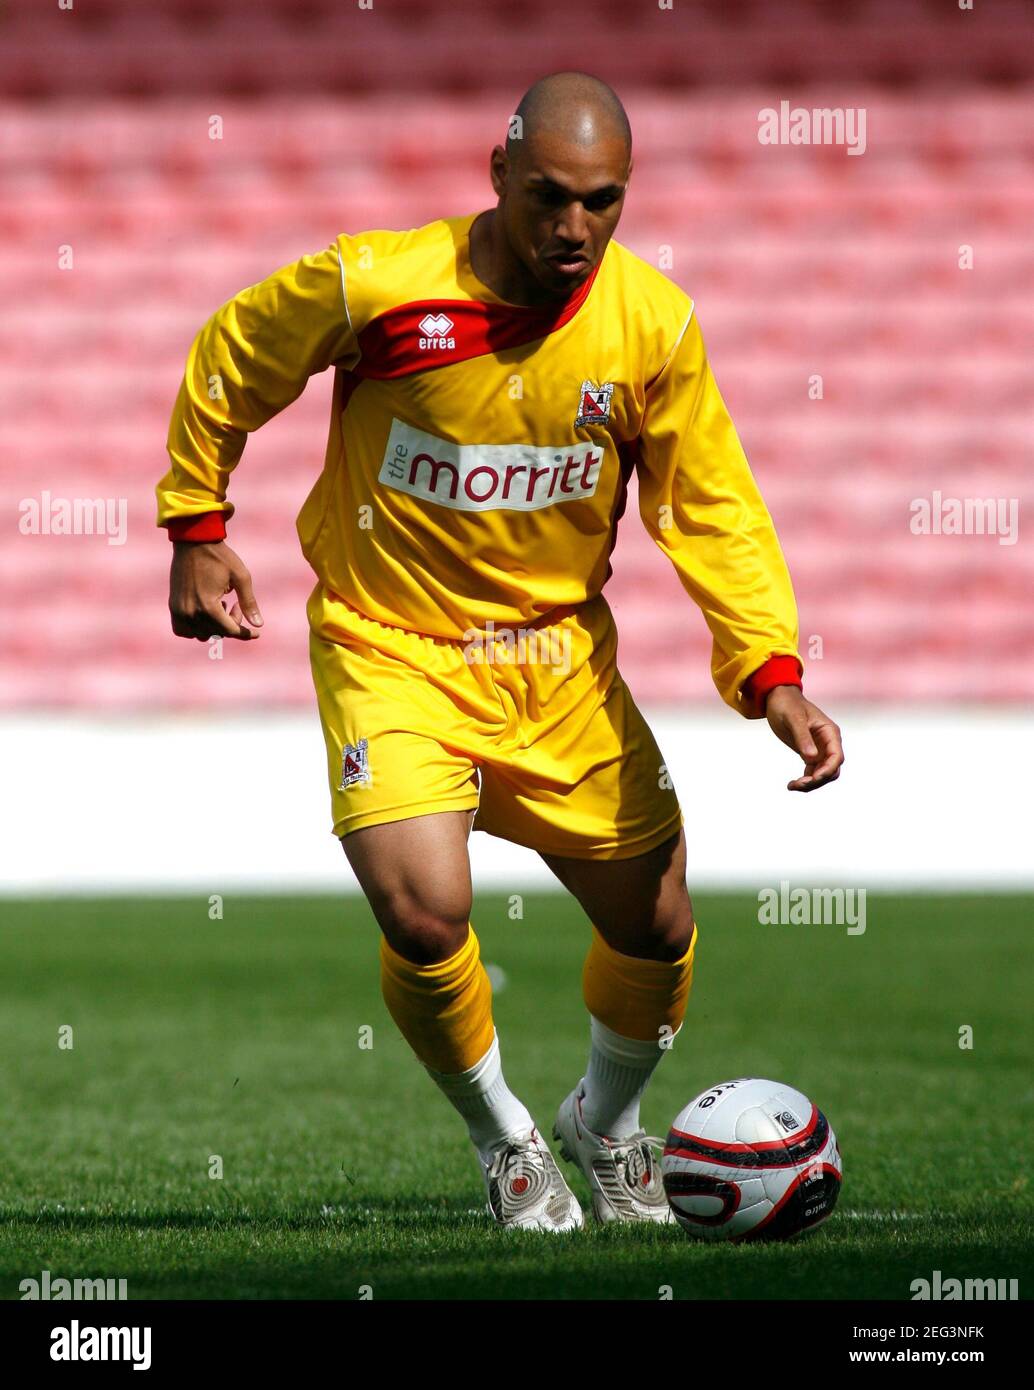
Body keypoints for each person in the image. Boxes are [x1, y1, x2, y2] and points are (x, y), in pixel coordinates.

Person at [158, 71, 844, 1233]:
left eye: (600, 201)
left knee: (657, 923)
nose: (571, 227)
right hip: (394, 646)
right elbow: (235, 352)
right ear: (496, 174)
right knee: (424, 912)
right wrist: (195, 525)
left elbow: (710, 506)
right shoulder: (375, 283)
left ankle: (605, 1125)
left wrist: (768, 671)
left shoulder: (652, 325)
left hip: (554, 663)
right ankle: (505, 1138)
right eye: (546, 197)